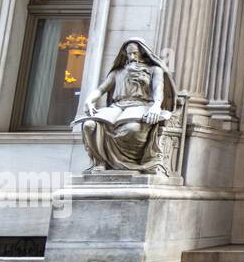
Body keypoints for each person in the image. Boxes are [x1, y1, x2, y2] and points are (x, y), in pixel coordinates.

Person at [74, 38, 178, 174]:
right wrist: (89, 100)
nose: (132, 57)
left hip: (141, 105)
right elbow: (101, 89)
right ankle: (100, 162)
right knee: (89, 125)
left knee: (132, 129)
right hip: (117, 107)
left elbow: (159, 89)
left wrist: (156, 105)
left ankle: (130, 164)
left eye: (135, 53)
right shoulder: (117, 72)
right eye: (129, 54)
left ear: (143, 52)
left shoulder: (154, 69)